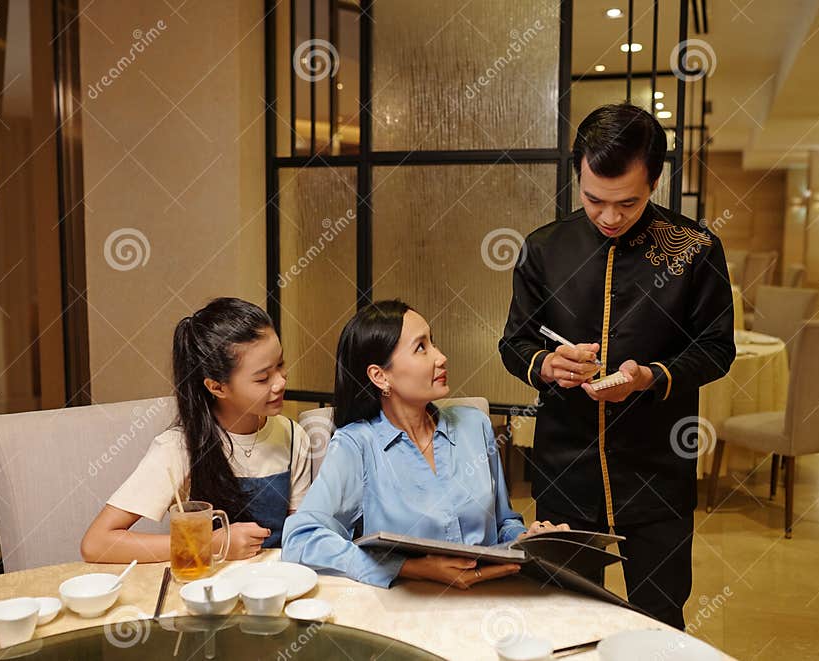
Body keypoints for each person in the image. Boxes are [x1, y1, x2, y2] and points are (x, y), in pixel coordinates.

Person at [498, 103, 735, 628]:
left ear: (655, 179)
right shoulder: (544, 248)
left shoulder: (693, 248)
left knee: (658, 619)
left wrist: (650, 377)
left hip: (657, 473)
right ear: (578, 170)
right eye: (593, 199)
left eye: (627, 203)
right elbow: (514, 343)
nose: (608, 216)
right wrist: (547, 365)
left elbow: (717, 348)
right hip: (566, 470)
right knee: (566, 618)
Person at [282, 300, 566, 589]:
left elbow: (505, 522)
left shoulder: (474, 425)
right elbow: (301, 539)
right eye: (421, 347)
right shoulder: (356, 444)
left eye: (434, 343)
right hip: (409, 612)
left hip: (489, 601)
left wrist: (526, 538)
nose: (441, 357)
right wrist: (409, 568)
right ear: (380, 376)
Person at [81, 297, 312, 562]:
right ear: (217, 387)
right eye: (262, 378)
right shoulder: (180, 446)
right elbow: (97, 543)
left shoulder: (293, 436)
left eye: (280, 365)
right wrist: (208, 544)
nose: (280, 382)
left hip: (275, 589)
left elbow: (299, 535)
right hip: (204, 592)